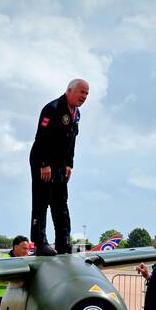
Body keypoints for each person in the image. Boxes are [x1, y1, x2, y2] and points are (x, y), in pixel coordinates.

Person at [29, 79, 88, 256]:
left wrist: (70, 164)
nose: (84, 96)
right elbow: (41, 138)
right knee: (41, 202)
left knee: (61, 203)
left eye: (87, 94)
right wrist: (44, 164)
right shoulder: (52, 109)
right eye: (81, 92)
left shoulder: (76, 113)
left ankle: (63, 242)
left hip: (61, 164)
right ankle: (40, 242)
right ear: (69, 90)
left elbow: (72, 141)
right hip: (44, 162)